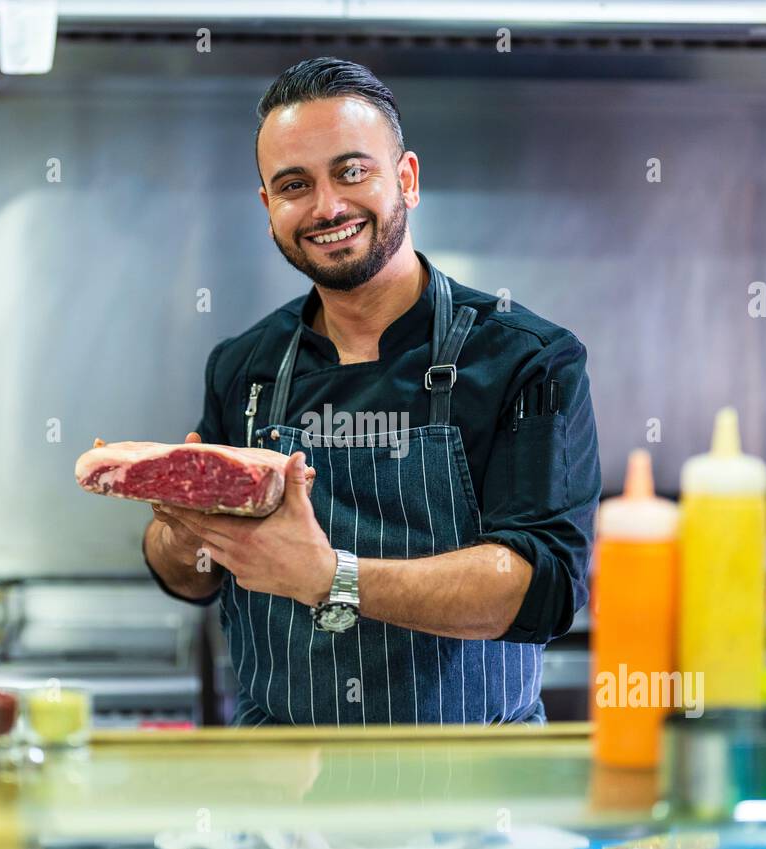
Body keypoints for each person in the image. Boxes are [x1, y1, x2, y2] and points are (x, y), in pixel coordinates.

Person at [143, 58, 601, 726]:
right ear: (269, 208)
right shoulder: (245, 367)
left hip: (471, 796)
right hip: (284, 794)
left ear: (406, 180)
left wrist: (334, 577)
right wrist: (181, 540)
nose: (327, 206)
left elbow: (544, 590)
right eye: (295, 185)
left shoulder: (525, 360)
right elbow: (195, 579)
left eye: (351, 171)